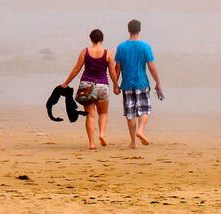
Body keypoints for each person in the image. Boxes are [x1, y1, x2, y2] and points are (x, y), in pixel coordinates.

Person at [61, 28, 116, 150]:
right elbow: (112, 72)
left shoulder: (85, 52)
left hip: (86, 85)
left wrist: (66, 83)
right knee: (103, 113)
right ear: (102, 39)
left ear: (91, 39)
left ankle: (91, 143)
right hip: (102, 85)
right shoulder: (108, 53)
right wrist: (116, 86)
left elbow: (77, 69)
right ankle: (101, 134)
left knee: (90, 115)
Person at [113, 18, 163, 148]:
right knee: (144, 109)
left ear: (128, 30)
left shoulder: (121, 47)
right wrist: (158, 83)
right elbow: (151, 67)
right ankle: (141, 131)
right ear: (139, 30)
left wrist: (115, 85)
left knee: (130, 114)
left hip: (127, 84)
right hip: (142, 83)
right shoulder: (145, 46)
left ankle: (133, 142)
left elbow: (117, 68)